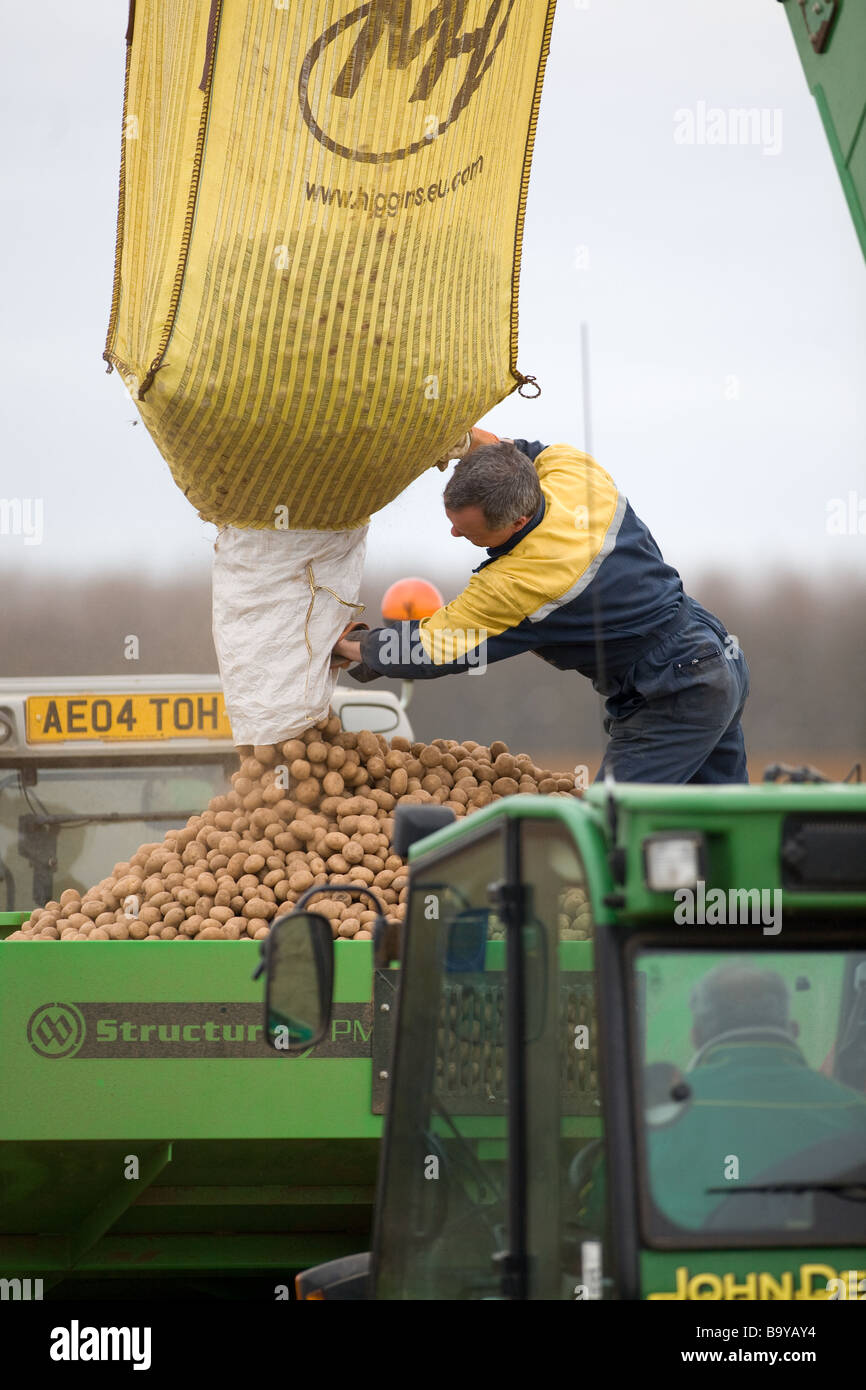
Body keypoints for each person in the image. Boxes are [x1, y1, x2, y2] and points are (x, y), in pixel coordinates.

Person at [331, 428, 750, 783]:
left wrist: (350, 645)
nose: (454, 532)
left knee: (610, 834)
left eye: (470, 531)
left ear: (515, 524)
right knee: (727, 828)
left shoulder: (520, 584)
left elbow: (430, 650)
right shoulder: (572, 471)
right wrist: (458, 435)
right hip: (713, 654)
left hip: (674, 691)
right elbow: (513, 453)